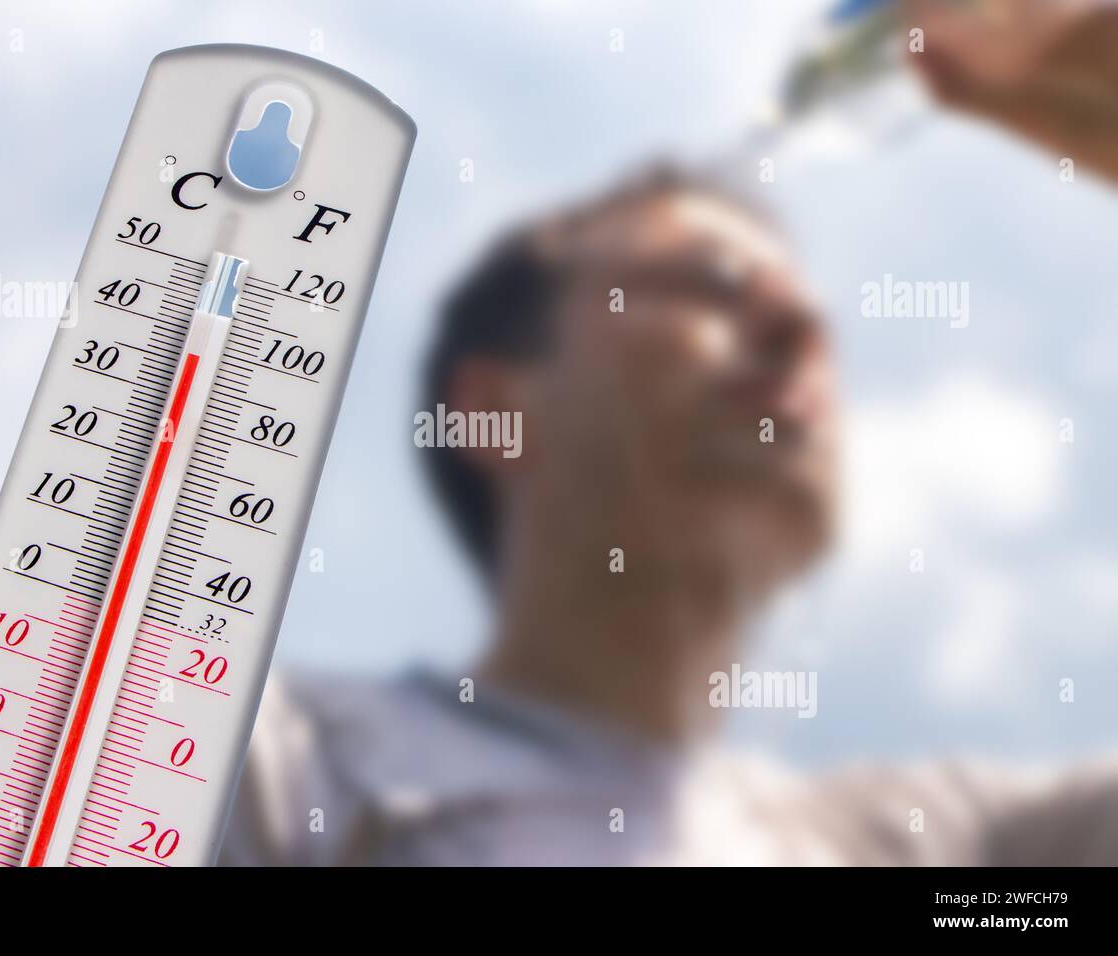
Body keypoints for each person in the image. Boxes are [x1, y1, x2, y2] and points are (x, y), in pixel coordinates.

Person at [218, 0, 1118, 865]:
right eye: (713, 284)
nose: (801, 332)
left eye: (806, 310)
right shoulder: (261, 762)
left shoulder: (950, 847)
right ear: (496, 409)